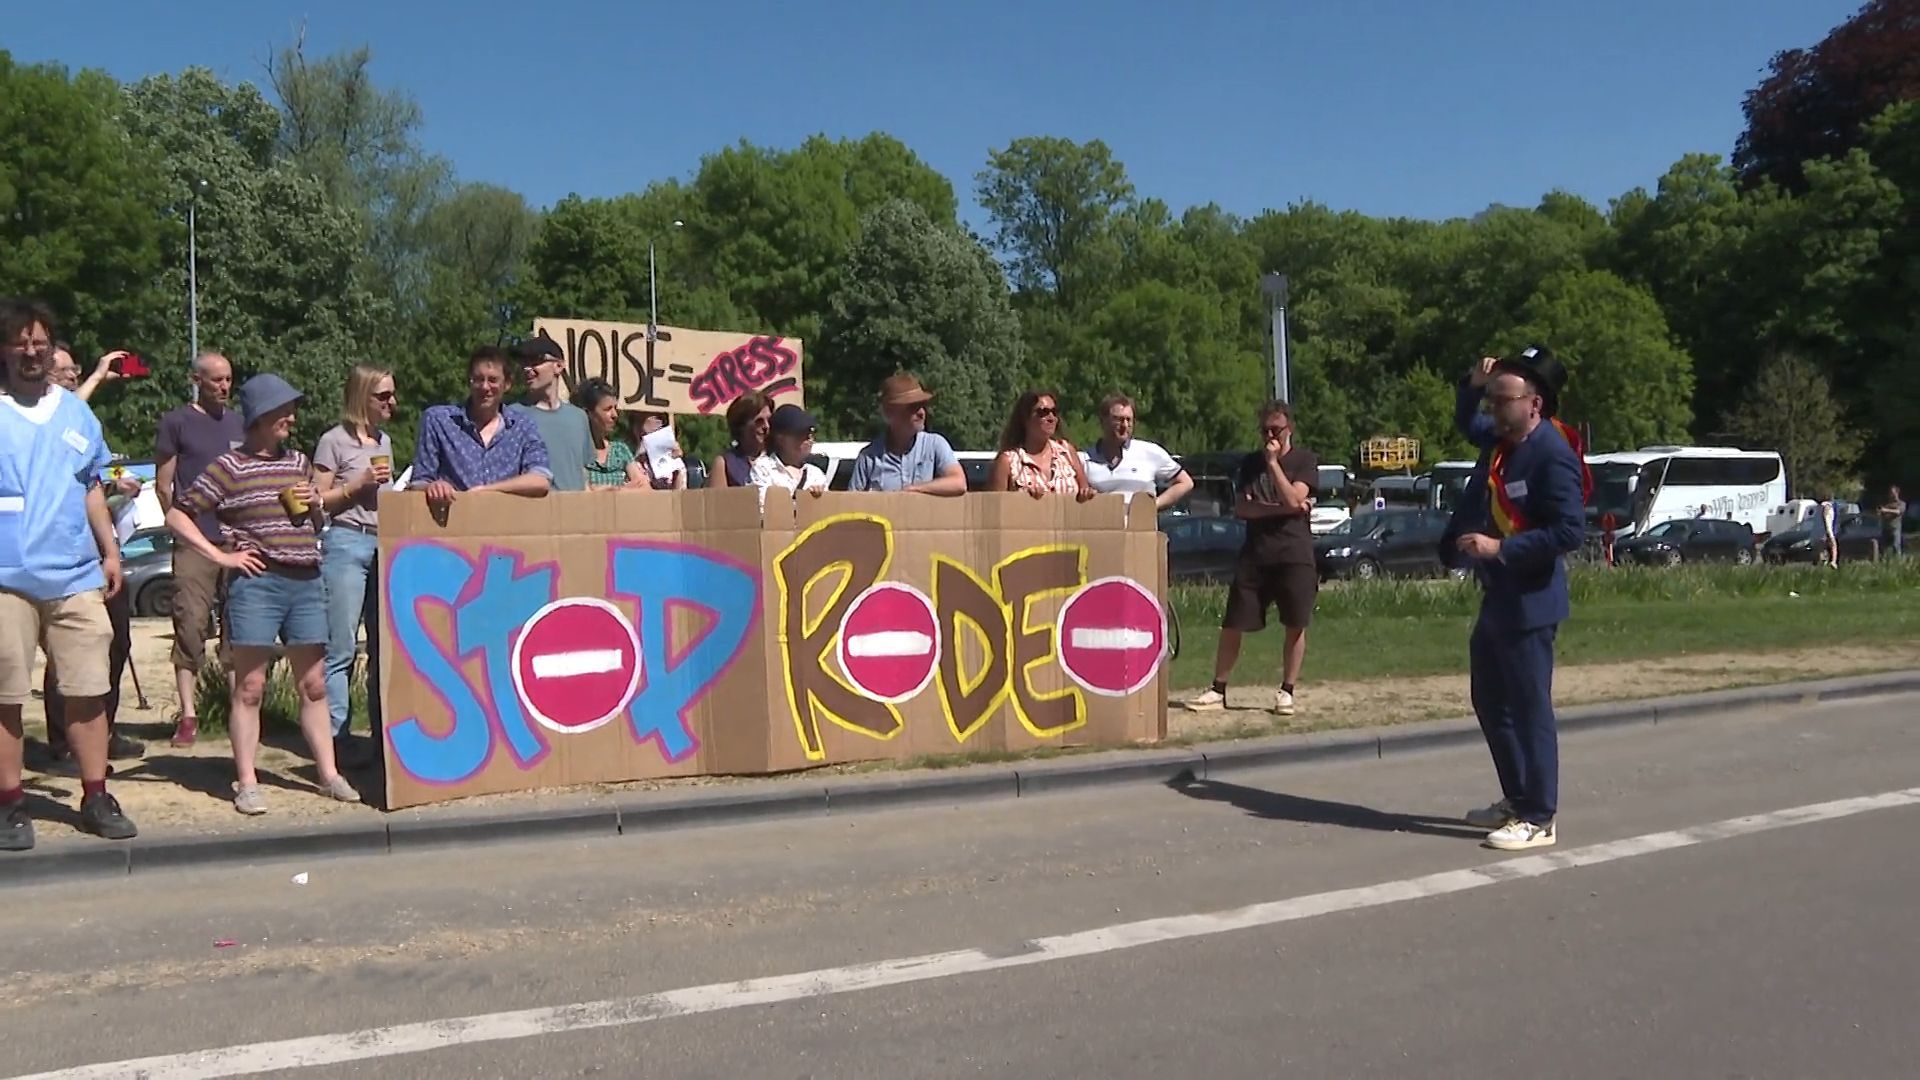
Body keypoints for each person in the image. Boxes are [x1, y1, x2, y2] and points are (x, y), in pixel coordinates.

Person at [168, 374, 359, 815]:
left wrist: (315, 505)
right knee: (250, 687)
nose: (291, 418)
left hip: (307, 579)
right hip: (257, 583)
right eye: (282, 410)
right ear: (259, 416)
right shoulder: (228, 466)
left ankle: (328, 774)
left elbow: (313, 525)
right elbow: (179, 515)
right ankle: (248, 781)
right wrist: (220, 556)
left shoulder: (298, 461)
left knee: (313, 685)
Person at [1, 298, 139, 849]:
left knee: (87, 690)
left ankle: (96, 793)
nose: (31, 351)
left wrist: (110, 552)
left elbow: (91, 487)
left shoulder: (76, 412)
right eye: (20, 342)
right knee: (5, 694)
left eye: (40, 341)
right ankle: (10, 804)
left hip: (75, 573)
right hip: (6, 576)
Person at [1440, 347, 1588, 852]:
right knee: (1489, 699)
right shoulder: (1502, 441)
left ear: (1535, 405)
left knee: (1529, 709)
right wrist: (1471, 385)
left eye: (1503, 399)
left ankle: (1540, 815)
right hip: (1498, 595)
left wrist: (1502, 548)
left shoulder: (1552, 454)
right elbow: (1466, 422)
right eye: (1493, 398)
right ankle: (1517, 796)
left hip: (1532, 598)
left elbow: (1570, 531)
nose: (1493, 409)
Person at [1183, 400, 1319, 719]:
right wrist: (1286, 508)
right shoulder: (1249, 463)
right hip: (1255, 553)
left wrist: (1274, 467)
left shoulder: (1305, 461)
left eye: (1276, 430)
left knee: (1295, 623)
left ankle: (1286, 690)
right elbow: (1244, 508)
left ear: (1290, 429)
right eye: (1265, 430)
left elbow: (1294, 496)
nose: (1270, 436)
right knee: (1233, 622)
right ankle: (1218, 688)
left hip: (1294, 553)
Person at [41, 346, 144, 764]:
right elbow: (61, 420)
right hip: (58, 553)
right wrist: (98, 377)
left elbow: (95, 476)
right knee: (65, 649)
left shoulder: (80, 423)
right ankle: (62, 738)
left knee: (116, 641)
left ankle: (107, 728)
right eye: (62, 371)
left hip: (101, 550)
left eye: (74, 370)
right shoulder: (39, 421)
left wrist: (120, 487)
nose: (70, 377)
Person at [154, 351, 244, 748]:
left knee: (237, 626)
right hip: (195, 539)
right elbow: (164, 484)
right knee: (190, 623)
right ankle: (189, 713)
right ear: (197, 380)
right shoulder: (177, 422)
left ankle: (238, 707)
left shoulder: (241, 423)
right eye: (216, 380)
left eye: (228, 379)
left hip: (237, 539)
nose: (224, 387)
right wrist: (181, 526)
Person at [313, 364, 396, 768]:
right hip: (345, 540)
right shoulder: (333, 441)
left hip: (383, 542)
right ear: (363, 397)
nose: (391, 403)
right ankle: (335, 738)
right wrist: (356, 484)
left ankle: (383, 736)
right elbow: (316, 500)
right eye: (384, 396)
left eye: (392, 395)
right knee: (341, 646)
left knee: (383, 645)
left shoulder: (385, 441)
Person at [410, 346, 554, 511]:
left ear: (507, 384)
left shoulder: (523, 426)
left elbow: (541, 479)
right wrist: (434, 487)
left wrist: (489, 491)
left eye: (492, 380)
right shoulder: (439, 420)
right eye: (478, 379)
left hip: (504, 526)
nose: (485, 387)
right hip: (452, 526)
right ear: (469, 382)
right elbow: (419, 482)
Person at [848, 373, 966, 495]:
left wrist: (915, 489)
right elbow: (851, 505)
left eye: (923, 406)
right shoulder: (868, 458)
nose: (921, 413)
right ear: (890, 412)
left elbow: (959, 483)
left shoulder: (935, 444)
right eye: (913, 407)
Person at [1081, 392, 1195, 510]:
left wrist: (1154, 505)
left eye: (1129, 420)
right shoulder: (1083, 459)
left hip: (1141, 527)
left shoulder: (1150, 452)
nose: (1125, 425)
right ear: (1103, 421)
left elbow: (1185, 482)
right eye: (1118, 420)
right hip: (1102, 527)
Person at [509, 336, 593, 492]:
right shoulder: (512, 415)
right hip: (533, 512)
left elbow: (582, 473)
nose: (527, 369)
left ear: (559, 366)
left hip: (576, 513)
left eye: (536, 361)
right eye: (524, 363)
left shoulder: (579, 417)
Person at [989, 390, 1094, 500]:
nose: (1051, 418)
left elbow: (1085, 492)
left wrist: (1087, 493)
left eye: (1054, 412)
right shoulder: (1008, 462)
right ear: (1025, 418)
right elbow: (995, 508)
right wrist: (1025, 499)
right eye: (1043, 412)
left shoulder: (1066, 452)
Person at [574, 379, 648, 489]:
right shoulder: (574, 452)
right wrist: (623, 489)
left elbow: (645, 488)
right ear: (587, 413)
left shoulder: (620, 450)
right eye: (607, 409)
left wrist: (614, 491)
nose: (615, 415)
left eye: (615, 408)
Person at [751, 404, 829, 498]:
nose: (809, 438)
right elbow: (762, 506)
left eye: (810, 432)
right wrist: (803, 501)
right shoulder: (762, 469)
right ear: (780, 439)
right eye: (801, 433)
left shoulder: (816, 474)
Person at [708, 391, 773, 488]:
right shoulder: (724, 464)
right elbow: (715, 502)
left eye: (769, 420)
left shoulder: (778, 459)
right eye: (759, 421)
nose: (766, 426)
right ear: (741, 426)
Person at [625, 410, 687, 490]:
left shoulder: (672, 457)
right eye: (653, 414)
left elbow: (679, 497)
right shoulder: (625, 453)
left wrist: (676, 468)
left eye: (661, 416)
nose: (659, 420)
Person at [1878, 485, 1904, 558]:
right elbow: (1880, 513)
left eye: (1892, 493)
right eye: (1890, 493)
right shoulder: (1887, 504)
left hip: (1895, 528)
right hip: (1885, 528)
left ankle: (1898, 561)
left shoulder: (1901, 503)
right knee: (1884, 548)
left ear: (1897, 493)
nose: (1891, 494)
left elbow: (1898, 512)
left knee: (1896, 546)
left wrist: (1886, 510)